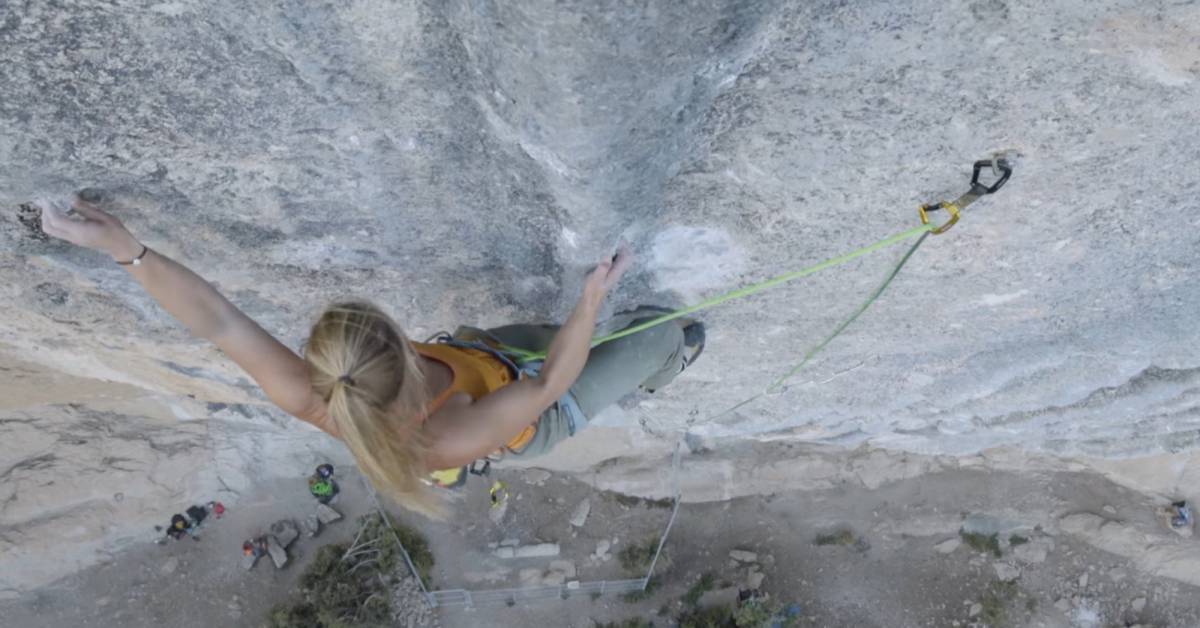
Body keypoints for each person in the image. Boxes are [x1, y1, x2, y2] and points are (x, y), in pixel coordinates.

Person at [41, 196, 703, 518]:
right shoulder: (444, 438)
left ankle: (594, 333)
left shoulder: (312, 393)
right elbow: (551, 382)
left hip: (483, 359)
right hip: (532, 409)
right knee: (654, 333)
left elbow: (217, 320)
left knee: (555, 334)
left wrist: (126, 251)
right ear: (397, 348)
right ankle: (670, 361)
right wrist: (591, 298)